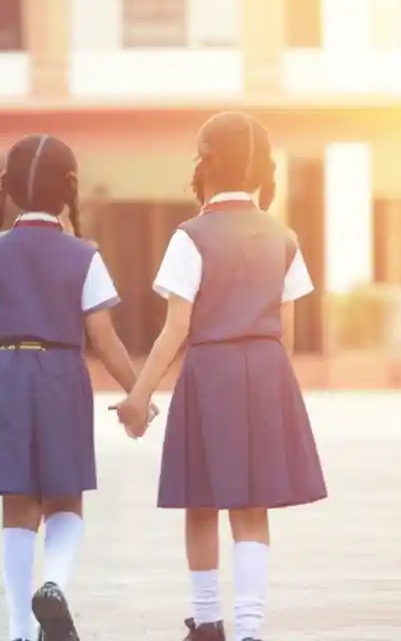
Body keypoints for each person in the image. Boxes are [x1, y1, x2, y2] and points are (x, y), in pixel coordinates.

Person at [112, 112, 328, 641]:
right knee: (251, 506)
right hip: (266, 368)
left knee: (202, 500)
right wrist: (273, 380)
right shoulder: (284, 237)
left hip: (210, 374)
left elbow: (175, 328)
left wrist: (138, 398)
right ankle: (251, 628)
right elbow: (288, 329)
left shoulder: (192, 236)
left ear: (203, 166)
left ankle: (208, 622)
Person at [0, 133, 138, 641]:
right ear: (69, 189)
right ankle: (54, 585)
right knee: (66, 498)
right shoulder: (84, 256)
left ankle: (20, 631)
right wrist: (139, 393)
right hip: (63, 375)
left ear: (11, 189)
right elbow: (101, 336)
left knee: (18, 507)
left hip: (8, 373)